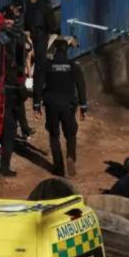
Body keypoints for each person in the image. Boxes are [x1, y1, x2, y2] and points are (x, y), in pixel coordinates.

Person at [33, 38, 88, 177]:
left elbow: (38, 84)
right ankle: (70, 156)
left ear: (55, 50)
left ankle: (59, 167)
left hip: (51, 105)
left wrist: (36, 105)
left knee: (54, 135)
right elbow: (81, 86)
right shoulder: (73, 66)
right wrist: (83, 107)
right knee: (70, 134)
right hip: (68, 105)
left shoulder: (47, 65)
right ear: (66, 50)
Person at [0, 3, 30, 174]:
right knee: (9, 131)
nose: (10, 23)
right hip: (8, 90)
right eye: (8, 20)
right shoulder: (7, 40)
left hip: (8, 88)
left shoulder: (10, 38)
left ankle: (24, 127)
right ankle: (4, 166)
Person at [25, 0, 59, 74]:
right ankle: (38, 84)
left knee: (43, 58)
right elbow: (32, 16)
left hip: (44, 32)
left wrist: (53, 27)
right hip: (39, 32)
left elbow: (48, 13)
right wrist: (34, 30)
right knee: (40, 61)